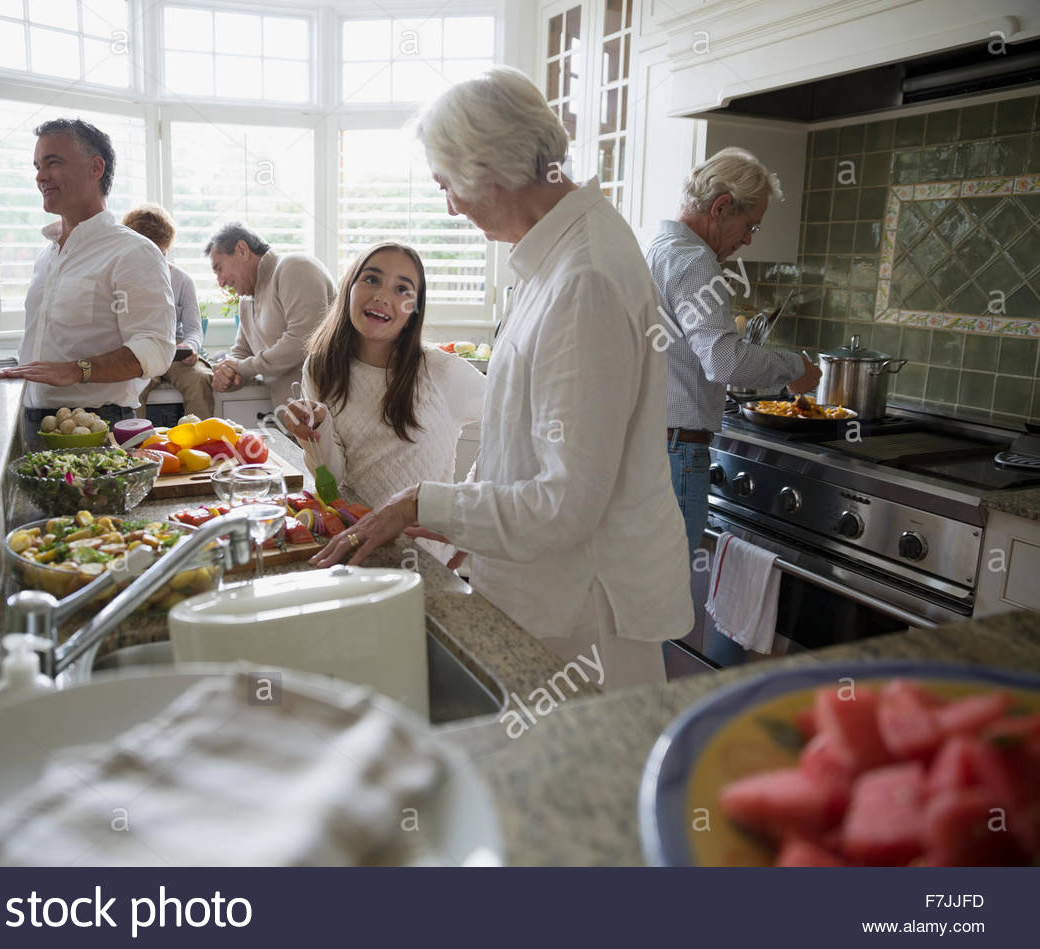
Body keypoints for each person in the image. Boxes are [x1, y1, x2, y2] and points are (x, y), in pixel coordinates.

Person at [312, 67, 693, 690]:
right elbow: (517, 440)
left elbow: (565, 503)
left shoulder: (584, 278)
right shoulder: (556, 259)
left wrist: (421, 502)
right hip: (547, 589)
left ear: (484, 167)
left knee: (583, 782)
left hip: (582, 607)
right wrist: (457, 524)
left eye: (447, 185)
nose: (451, 205)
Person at [646, 147, 822, 559]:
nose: (746, 239)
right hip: (677, 451)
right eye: (751, 226)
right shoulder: (693, 260)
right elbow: (726, 361)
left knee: (647, 589)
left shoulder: (658, 247)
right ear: (722, 207)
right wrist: (793, 367)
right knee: (666, 588)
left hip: (652, 445)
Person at [283, 242, 484, 522]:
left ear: (414, 309)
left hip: (424, 551)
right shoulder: (320, 368)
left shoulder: (442, 371)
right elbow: (331, 485)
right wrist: (317, 431)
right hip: (353, 540)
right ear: (349, 287)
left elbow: (514, 425)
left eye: (402, 289)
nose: (381, 296)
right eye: (371, 279)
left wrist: (466, 503)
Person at [0, 119, 177, 423]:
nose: (40, 176)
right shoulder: (47, 256)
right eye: (37, 166)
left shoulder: (134, 252)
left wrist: (75, 370)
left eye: (52, 163)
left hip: (98, 426)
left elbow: (156, 349)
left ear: (96, 168)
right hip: (30, 421)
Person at [204, 222, 335, 411]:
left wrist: (241, 367)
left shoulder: (294, 267)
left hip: (328, 417)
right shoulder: (247, 300)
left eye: (219, 268)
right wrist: (228, 375)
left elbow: (303, 339)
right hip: (294, 421)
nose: (221, 282)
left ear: (242, 250)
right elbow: (242, 352)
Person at [121, 203, 214, 420]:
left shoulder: (182, 280)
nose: (156, 262)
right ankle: (136, 450)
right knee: (130, 387)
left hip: (176, 358)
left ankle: (198, 446)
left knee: (200, 379)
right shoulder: (121, 280)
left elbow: (194, 329)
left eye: (161, 254)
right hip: (139, 356)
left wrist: (190, 347)